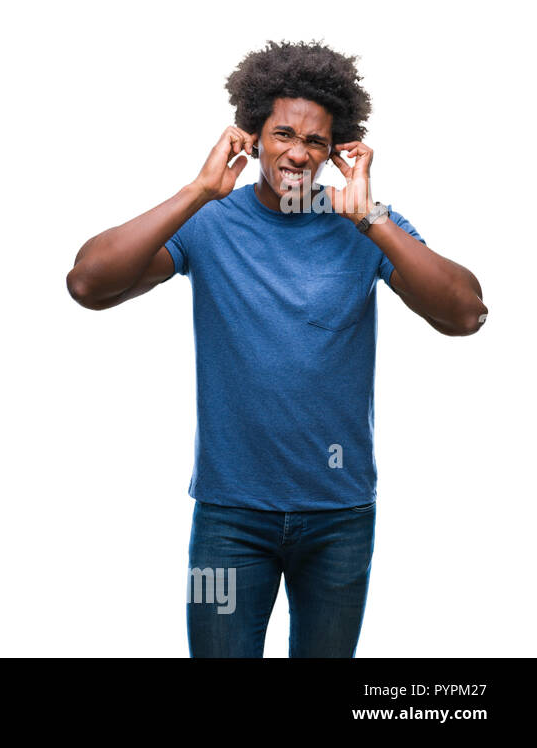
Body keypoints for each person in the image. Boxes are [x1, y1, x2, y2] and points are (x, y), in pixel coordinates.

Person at [66, 40, 486, 657]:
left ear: (336, 148)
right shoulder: (212, 223)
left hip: (339, 515)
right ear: (253, 136)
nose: (297, 153)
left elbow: (466, 313)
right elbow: (88, 283)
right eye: (283, 134)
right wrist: (197, 190)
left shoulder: (365, 224)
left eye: (315, 142)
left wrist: (373, 219)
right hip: (231, 517)